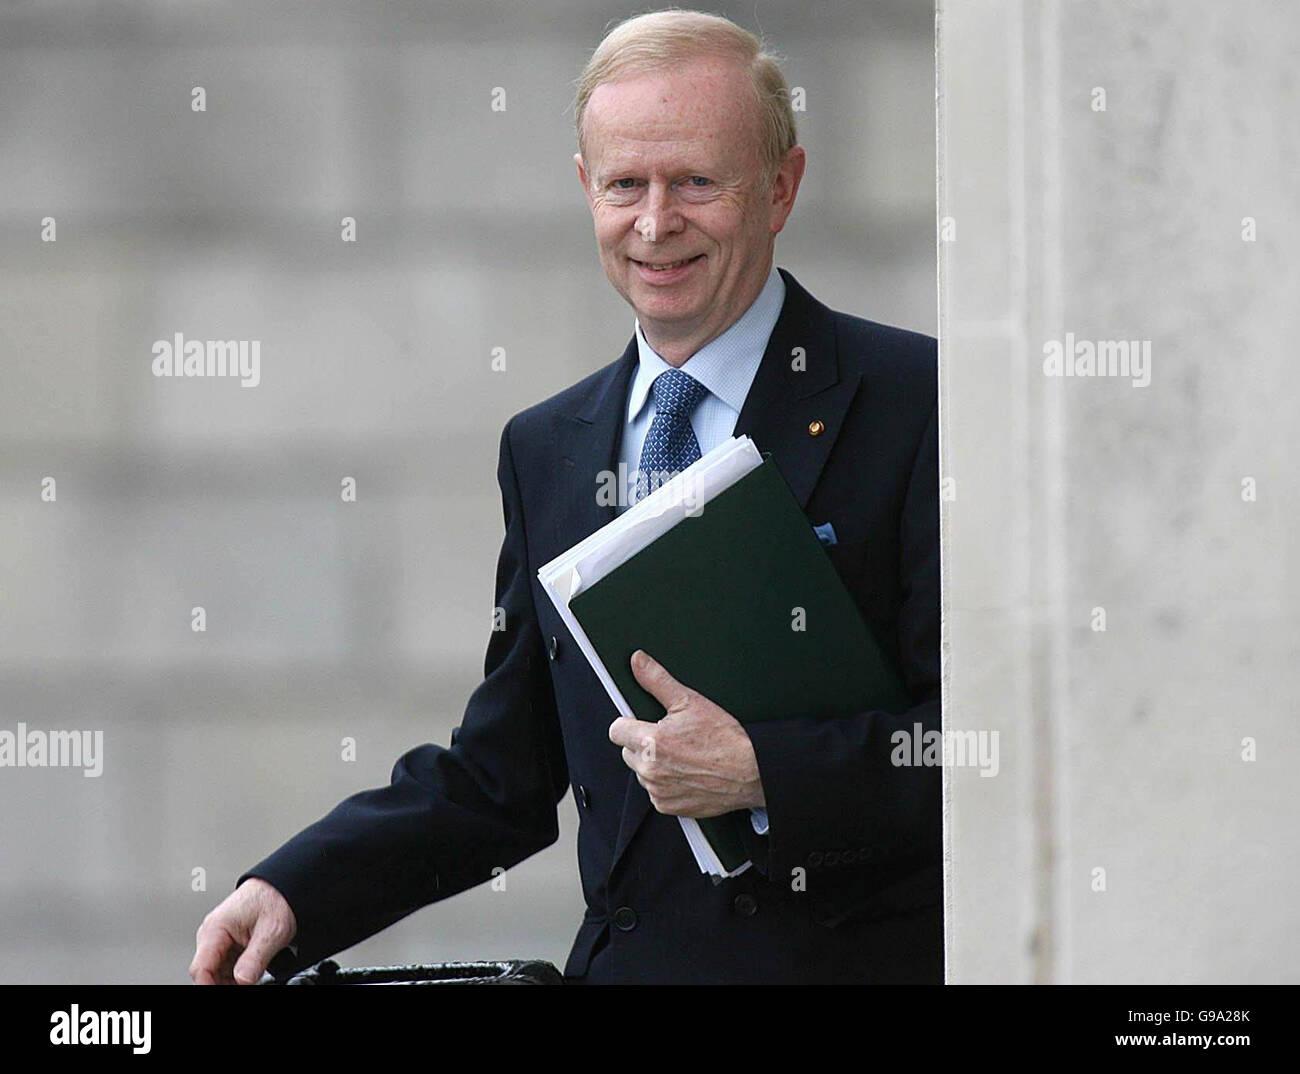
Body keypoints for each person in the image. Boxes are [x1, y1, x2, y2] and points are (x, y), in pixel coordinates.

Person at [191, 8, 941, 986]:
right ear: (586, 188)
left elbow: (971, 745)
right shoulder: (546, 447)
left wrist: (764, 768)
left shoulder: (917, 401)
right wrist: (295, 892)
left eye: (696, 182)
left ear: (780, 188)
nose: (655, 222)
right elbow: (501, 777)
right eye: (625, 184)